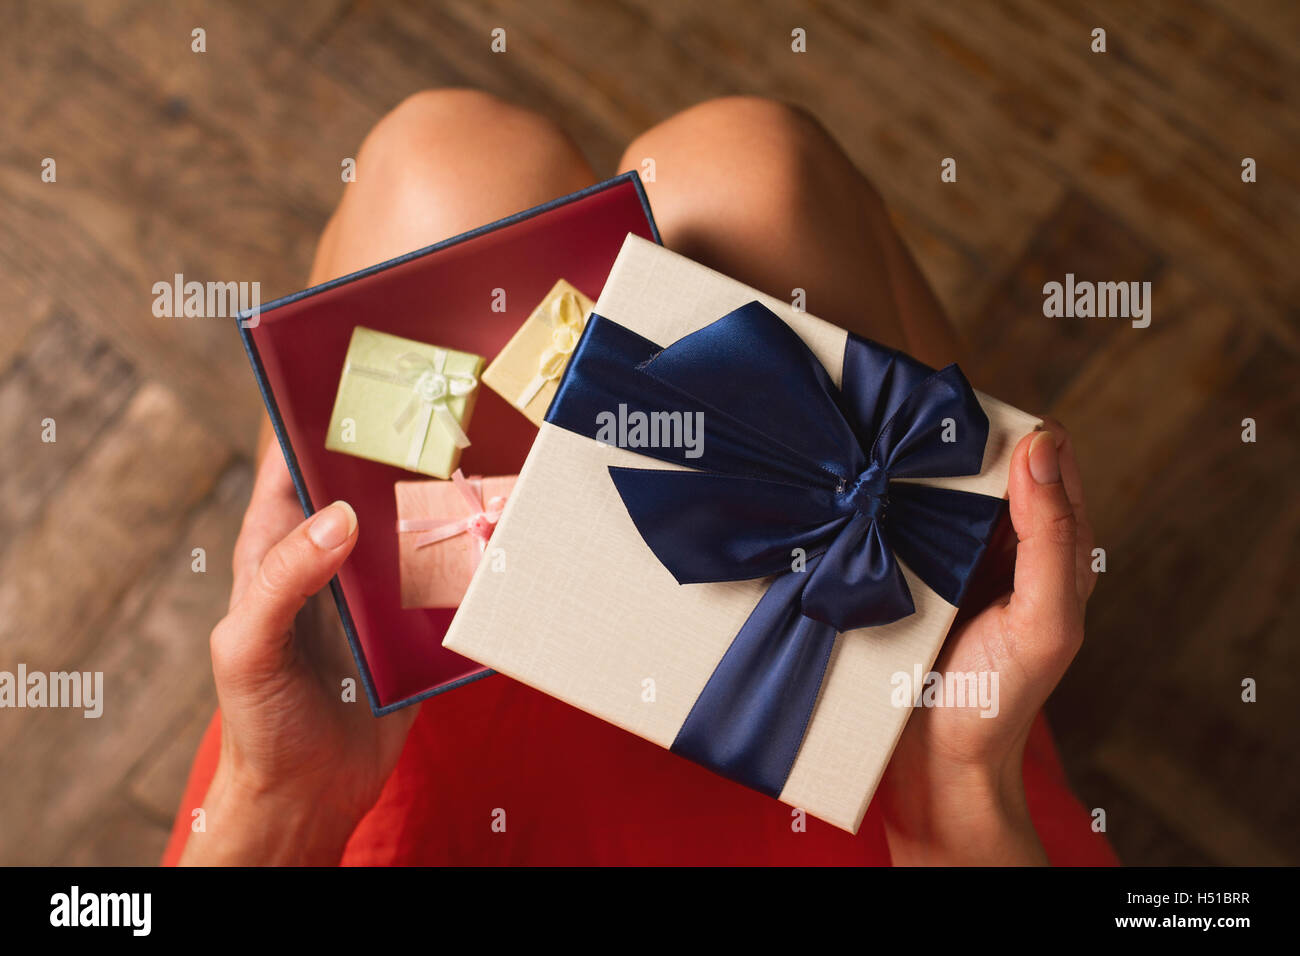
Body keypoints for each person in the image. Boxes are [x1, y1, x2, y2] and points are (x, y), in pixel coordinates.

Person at [166, 93, 1114, 866]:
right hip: (854, 743)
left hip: (414, 722)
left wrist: (281, 802)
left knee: (441, 163)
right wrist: (950, 808)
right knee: (751, 173)